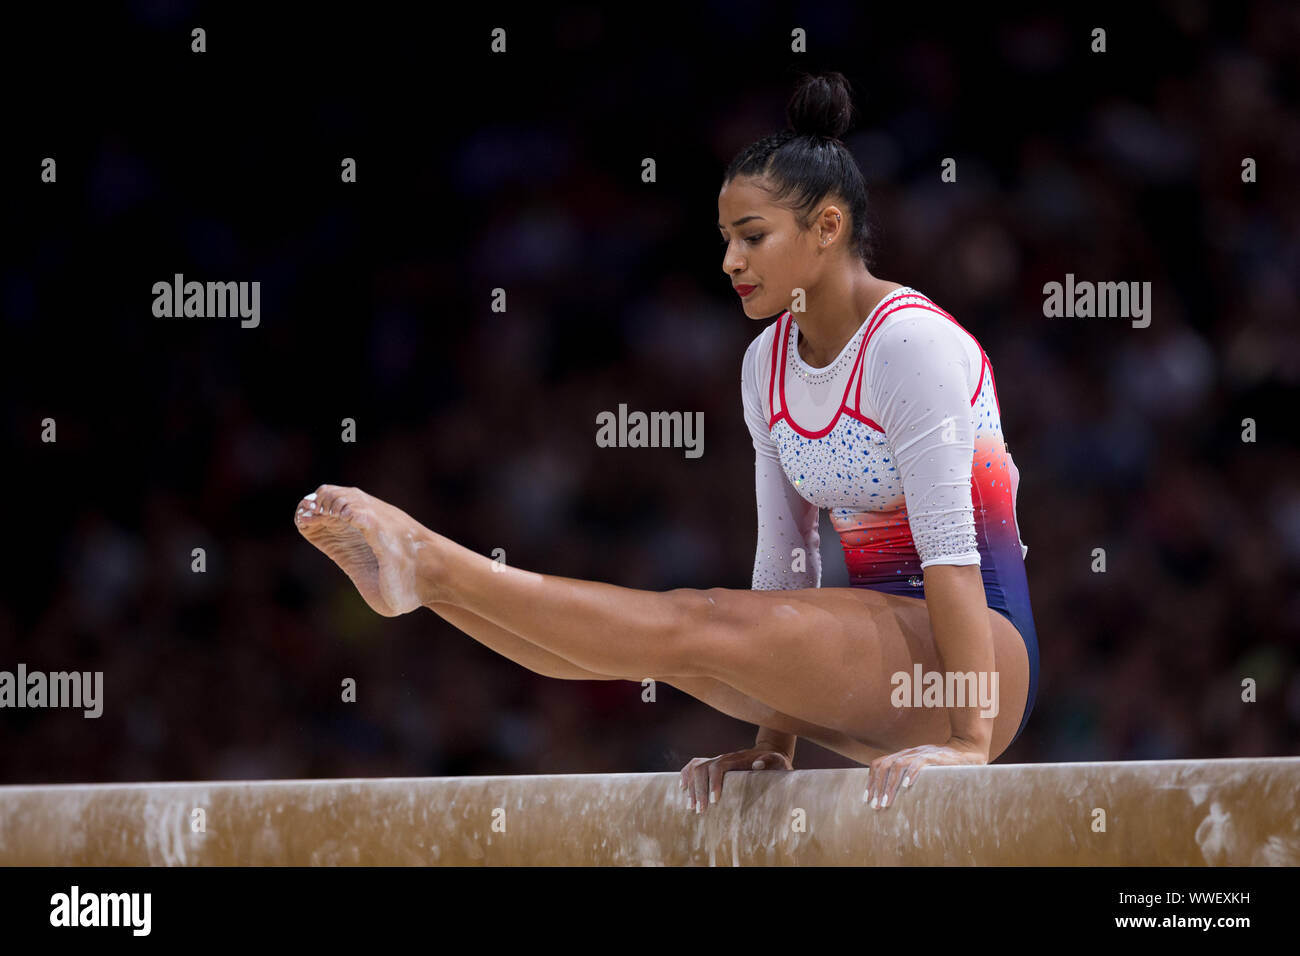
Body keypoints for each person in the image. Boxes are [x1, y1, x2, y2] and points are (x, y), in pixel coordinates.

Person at [294, 71, 1038, 817]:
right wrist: (774, 745)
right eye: (726, 241)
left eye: (752, 238)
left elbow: (950, 551)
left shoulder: (911, 344)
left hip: (975, 664)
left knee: (694, 620)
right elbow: (786, 564)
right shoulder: (767, 364)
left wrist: (970, 740)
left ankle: (429, 560)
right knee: (658, 649)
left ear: (828, 227)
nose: (730, 263)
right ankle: (431, 586)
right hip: (865, 661)